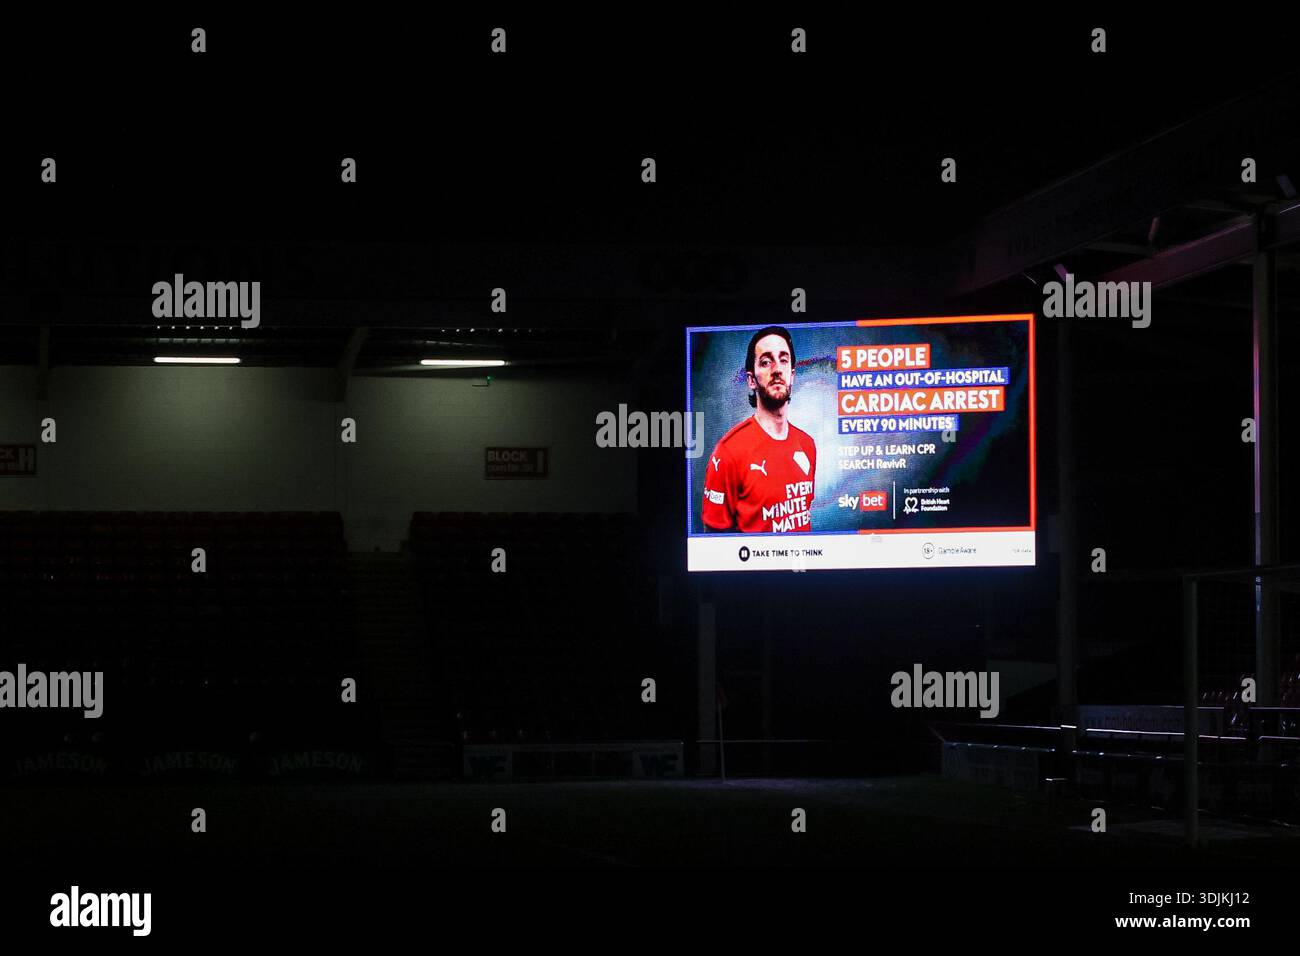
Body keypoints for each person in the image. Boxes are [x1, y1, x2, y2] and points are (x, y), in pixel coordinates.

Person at [702, 326, 817, 533]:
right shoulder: (728, 452)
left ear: (792, 375)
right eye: (765, 362)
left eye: (783, 360)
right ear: (751, 380)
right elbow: (713, 548)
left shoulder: (808, 444)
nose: (777, 369)